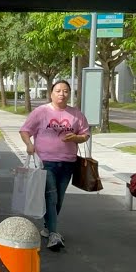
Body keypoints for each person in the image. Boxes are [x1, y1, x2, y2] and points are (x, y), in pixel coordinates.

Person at [18, 80, 91, 252]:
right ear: (51, 93)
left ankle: (47, 227)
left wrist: (75, 138)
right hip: (46, 161)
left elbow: (85, 135)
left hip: (68, 162)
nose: (61, 94)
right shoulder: (41, 112)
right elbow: (25, 130)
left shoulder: (76, 114)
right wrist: (29, 144)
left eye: (65, 91)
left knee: (59, 198)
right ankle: (53, 234)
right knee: (51, 196)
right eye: (58, 90)